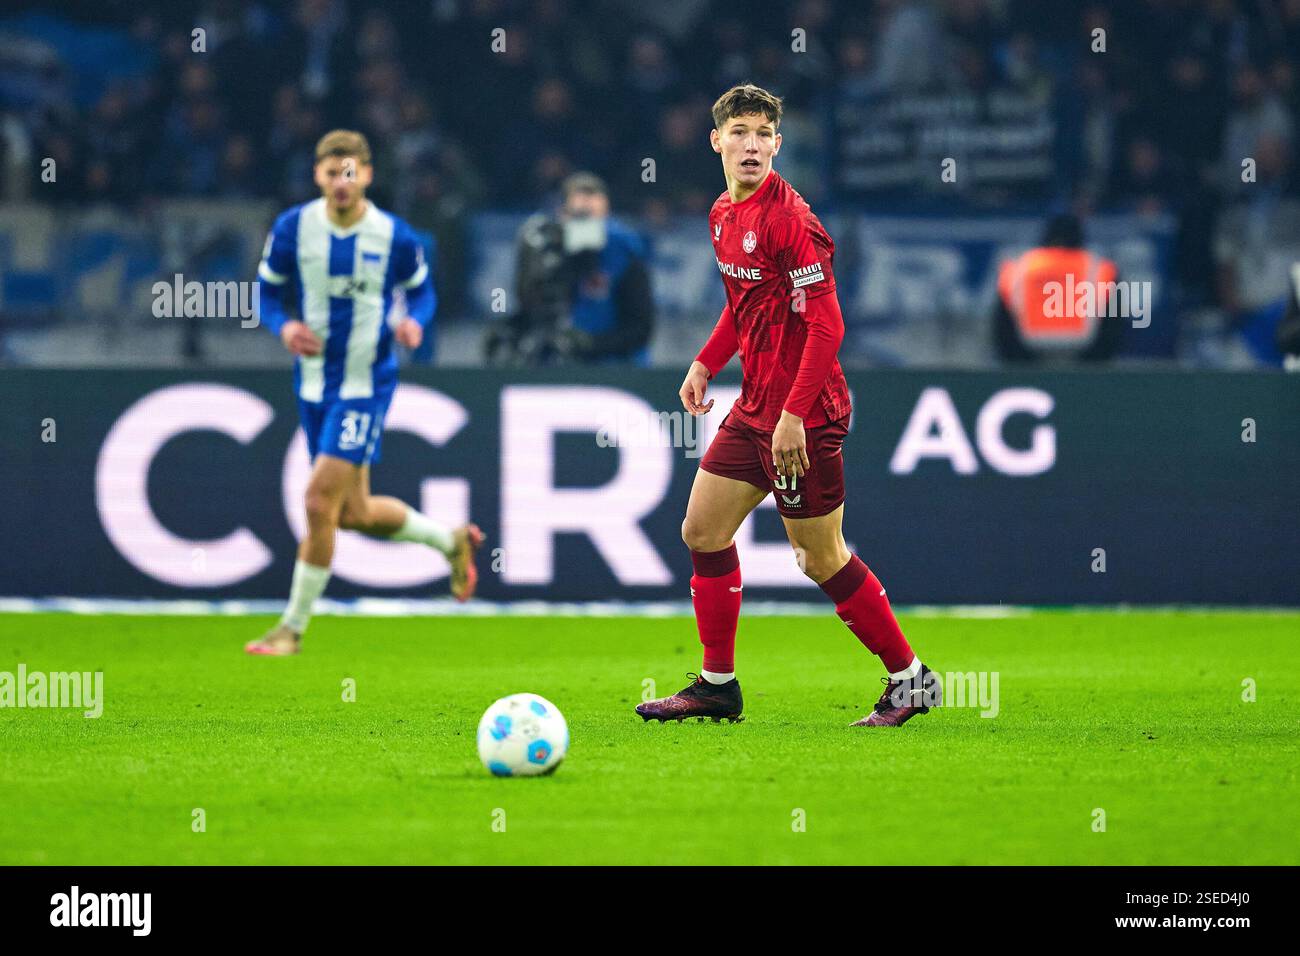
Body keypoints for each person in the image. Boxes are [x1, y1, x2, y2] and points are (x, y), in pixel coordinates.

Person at [635, 85, 940, 728]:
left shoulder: (791, 221)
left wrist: (794, 418)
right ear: (716, 141)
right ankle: (717, 686)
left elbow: (829, 327)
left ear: (778, 143)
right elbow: (743, 305)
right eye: (739, 132)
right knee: (702, 532)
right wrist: (705, 362)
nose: (751, 145)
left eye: (762, 134)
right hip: (755, 409)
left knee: (818, 557)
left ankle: (911, 680)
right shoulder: (723, 213)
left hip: (807, 414)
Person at [246, 130, 483, 657]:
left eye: (350, 172)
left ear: (368, 175)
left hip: (364, 385)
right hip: (312, 383)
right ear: (317, 176)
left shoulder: (393, 235)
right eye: (332, 173)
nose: (341, 182)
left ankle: (291, 629)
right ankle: (450, 541)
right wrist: (283, 326)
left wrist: (415, 323)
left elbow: (422, 292)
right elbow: (267, 291)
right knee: (352, 513)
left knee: (317, 501)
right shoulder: (293, 228)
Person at [486, 172, 654, 366]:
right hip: (562, 364)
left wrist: (589, 344)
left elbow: (641, 327)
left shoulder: (623, 251)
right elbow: (534, 304)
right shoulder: (550, 249)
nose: (586, 226)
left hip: (618, 367)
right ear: (563, 213)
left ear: (606, 212)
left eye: (591, 216)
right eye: (579, 216)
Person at [993, 214, 1124, 363]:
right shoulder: (1101, 269)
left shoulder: (1017, 269)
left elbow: (1002, 324)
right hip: (1087, 356)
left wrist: (1013, 362)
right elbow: (1113, 324)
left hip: (1026, 356)